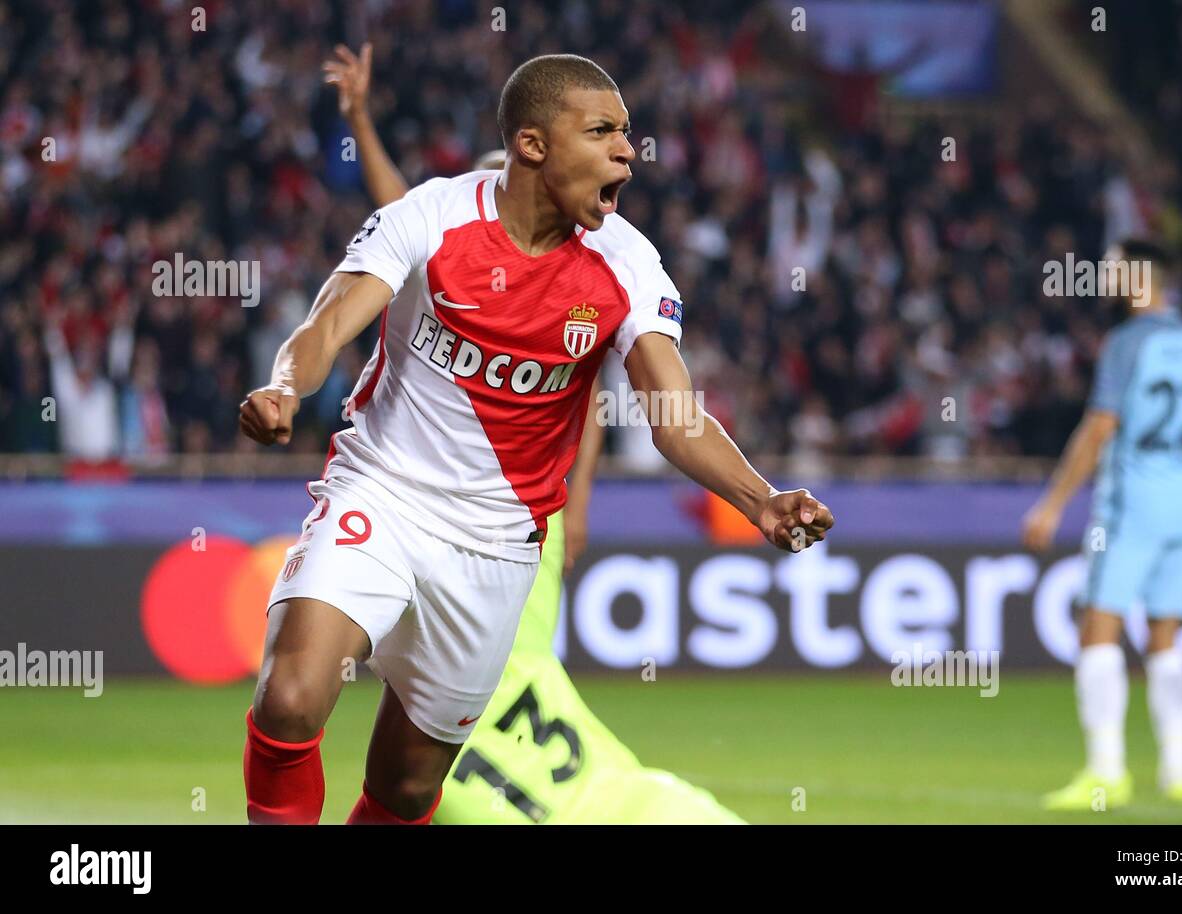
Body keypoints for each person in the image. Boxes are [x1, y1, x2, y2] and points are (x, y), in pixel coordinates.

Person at [239, 51, 833, 825]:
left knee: (409, 787)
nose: (628, 149)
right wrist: (286, 386)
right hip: (383, 495)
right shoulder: (432, 215)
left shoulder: (627, 265)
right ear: (532, 144)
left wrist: (761, 499)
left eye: (628, 133)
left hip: (497, 548)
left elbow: (674, 415)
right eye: (603, 131)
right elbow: (326, 326)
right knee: (290, 697)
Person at [1023, 238, 1182, 810]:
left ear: (1141, 279)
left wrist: (1052, 503)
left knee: (1098, 628)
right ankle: (1178, 770)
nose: (1104, 280)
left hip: (1131, 500)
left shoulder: (1125, 344)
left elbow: (1099, 428)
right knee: (1165, 634)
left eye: (1112, 271)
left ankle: (1106, 770)